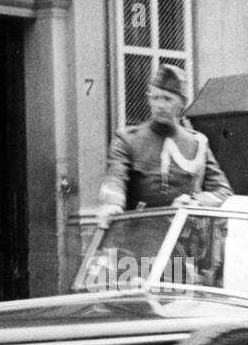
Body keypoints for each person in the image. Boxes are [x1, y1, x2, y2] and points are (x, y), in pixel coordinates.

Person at [97, 64, 234, 228]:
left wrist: (195, 202)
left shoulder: (197, 144)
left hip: (183, 243)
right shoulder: (127, 140)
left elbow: (224, 192)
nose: (160, 105)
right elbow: (115, 177)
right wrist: (113, 203)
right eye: (155, 98)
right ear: (149, 99)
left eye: (168, 99)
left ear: (182, 103)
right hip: (138, 242)